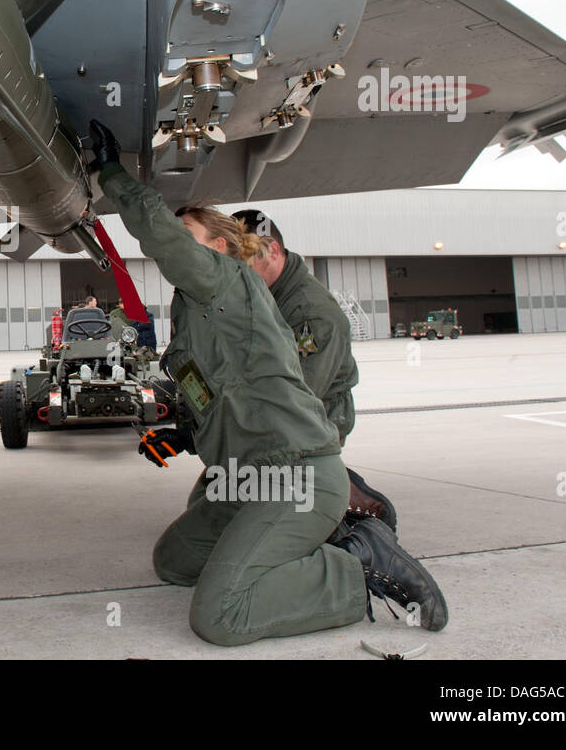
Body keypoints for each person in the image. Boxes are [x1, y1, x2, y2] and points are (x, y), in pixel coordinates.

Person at [86, 120, 447, 644]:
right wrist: (185, 433)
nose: (175, 246)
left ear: (222, 248)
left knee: (218, 617)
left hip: (296, 474)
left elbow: (162, 237)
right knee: (174, 561)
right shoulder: (199, 311)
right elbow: (221, 398)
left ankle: (355, 568)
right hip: (245, 477)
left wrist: (113, 176)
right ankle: (269, 557)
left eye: (190, 237)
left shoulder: (225, 280)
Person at [231, 209, 396, 530]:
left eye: (247, 266)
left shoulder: (310, 313)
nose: (242, 276)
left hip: (315, 417)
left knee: (287, 521)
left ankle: (343, 498)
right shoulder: (270, 294)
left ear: (273, 252)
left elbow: (302, 395)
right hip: (288, 411)